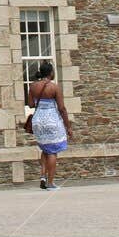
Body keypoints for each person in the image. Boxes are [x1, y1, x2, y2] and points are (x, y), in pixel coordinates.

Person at [25, 61, 73, 190]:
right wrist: (68, 126)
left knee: (45, 149)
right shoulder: (54, 87)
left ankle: (42, 176)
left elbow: (30, 104)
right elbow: (62, 108)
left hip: (38, 120)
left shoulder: (33, 86)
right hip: (51, 120)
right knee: (52, 152)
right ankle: (50, 183)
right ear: (51, 72)